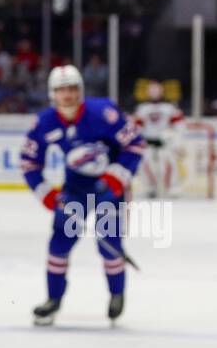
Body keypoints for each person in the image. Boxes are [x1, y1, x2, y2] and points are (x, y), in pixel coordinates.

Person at [20, 64, 145, 326]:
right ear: (52, 94)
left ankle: (116, 294)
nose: (67, 95)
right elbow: (29, 162)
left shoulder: (104, 113)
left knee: (109, 243)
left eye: (72, 89)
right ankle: (53, 299)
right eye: (61, 90)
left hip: (108, 188)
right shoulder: (45, 122)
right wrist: (47, 196)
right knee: (59, 244)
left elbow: (134, 144)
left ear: (81, 90)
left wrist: (115, 178)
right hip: (74, 190)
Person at [133, 80, 184, 199]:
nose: (154, 93)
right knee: (145, 164)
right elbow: (137, 127)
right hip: (148, 143)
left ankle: (171, 188)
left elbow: (179, 126)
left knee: (169, 163)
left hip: (165, 144)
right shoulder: (142, 108)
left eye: (157, 90)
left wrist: (176, 141)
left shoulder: (170, 107)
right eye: (152, 91)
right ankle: (150, 189)